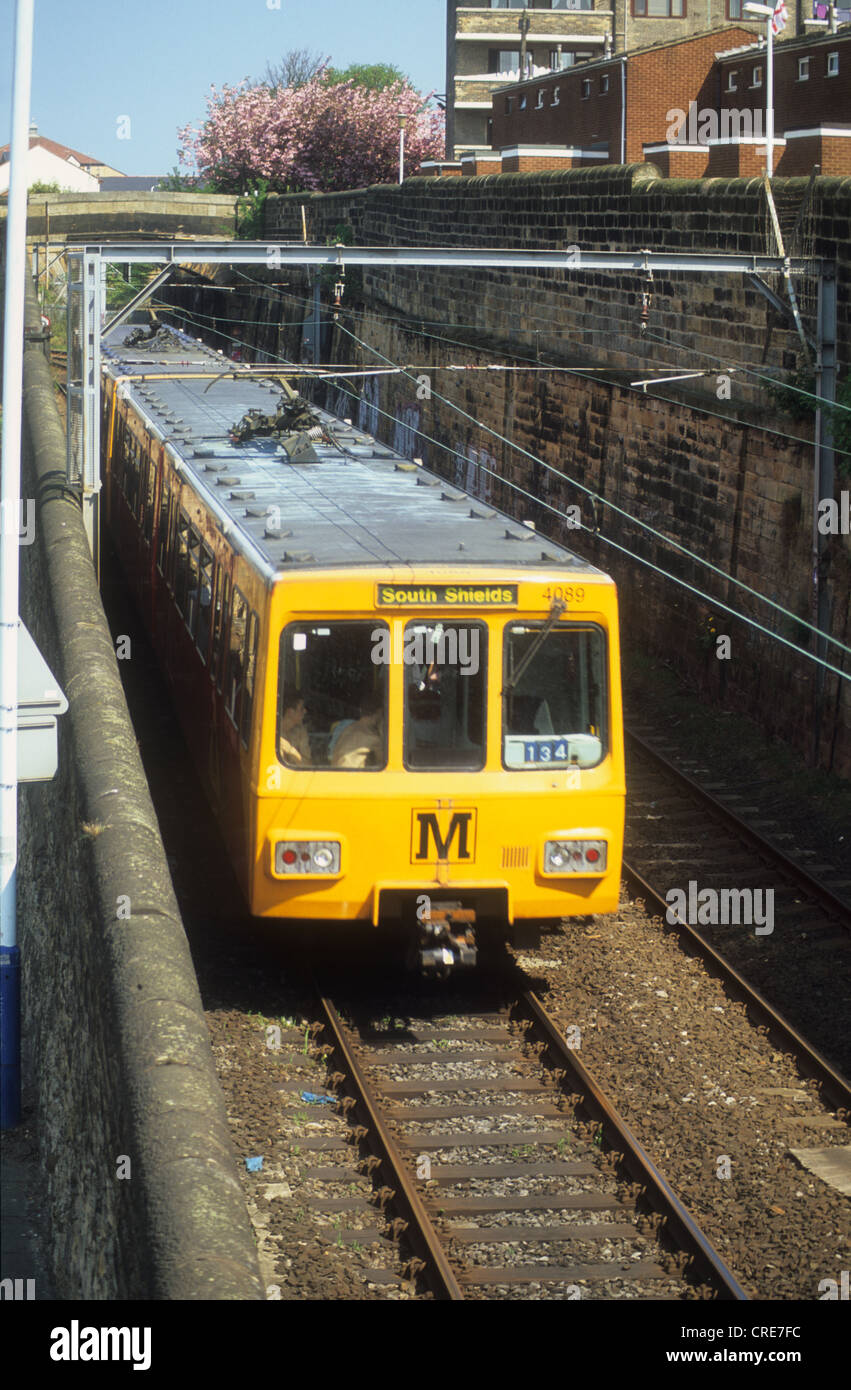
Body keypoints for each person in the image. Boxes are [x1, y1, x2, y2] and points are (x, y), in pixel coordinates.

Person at [331, 690, 384, 769]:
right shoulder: (373, 738)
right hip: (354, 778)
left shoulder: (348, 729)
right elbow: (383, 762)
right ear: (379, 712)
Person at [278, 686, 311, 765]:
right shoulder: (272, 734)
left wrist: (291, 751)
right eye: (301, 709)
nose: (305, 711)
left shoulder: (301, 732)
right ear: (290, 712)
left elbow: (308, 765)